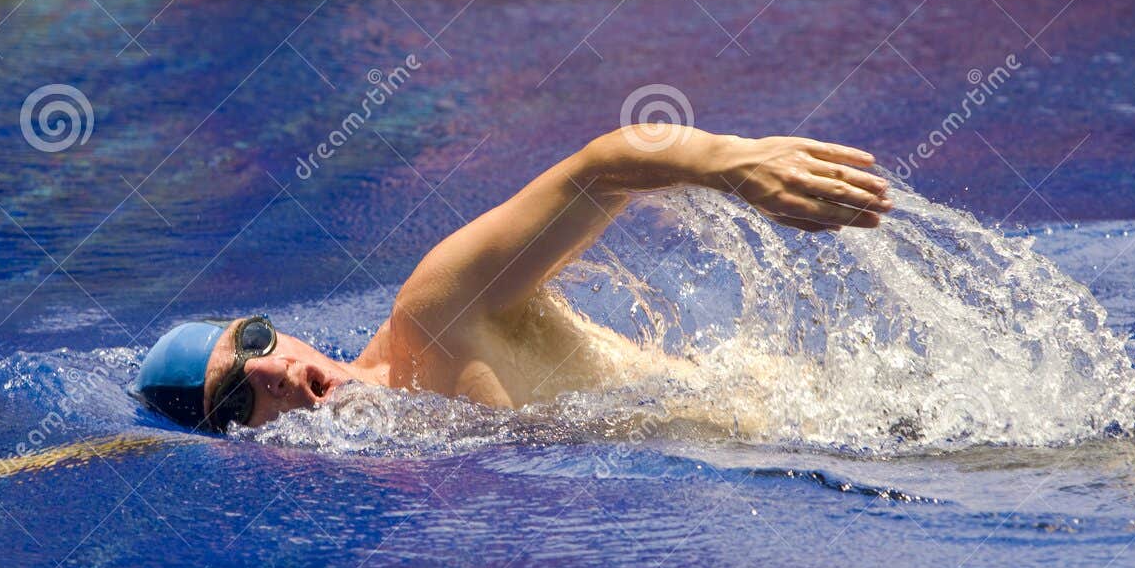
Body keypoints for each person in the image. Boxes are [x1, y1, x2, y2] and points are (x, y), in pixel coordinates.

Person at [135, 127, 893, 433]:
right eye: (233, 399)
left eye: (253, 342)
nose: (268, 372)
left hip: (851, 430)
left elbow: (601, 168)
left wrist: (735, 163)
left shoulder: (433, 315)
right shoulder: (407, 457)